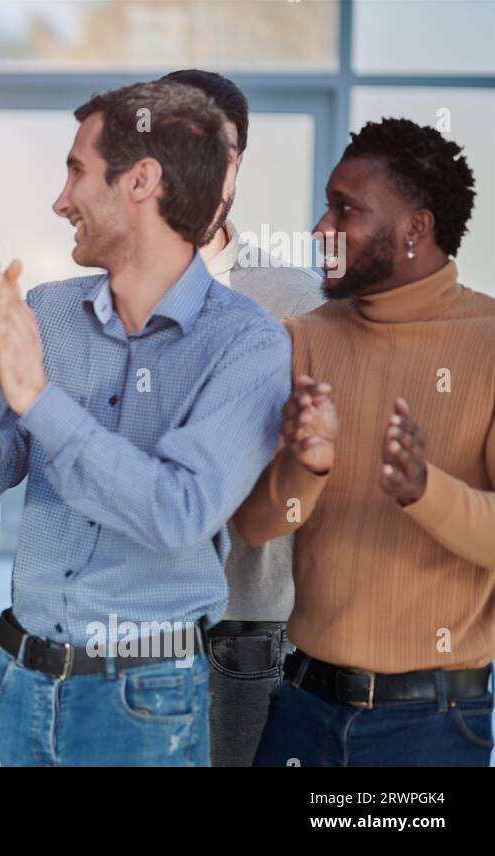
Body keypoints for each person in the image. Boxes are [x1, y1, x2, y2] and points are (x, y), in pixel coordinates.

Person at [0, 81, 291, 766]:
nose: (60, 200)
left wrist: (37, 397)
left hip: (145, 703)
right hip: (14, 685)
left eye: (76, 171)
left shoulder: (246, 345)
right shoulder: (45, 310)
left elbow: (176, 512)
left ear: (140, 181)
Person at [236, 118, 494, 767]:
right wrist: (307, 469)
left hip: (431, 727)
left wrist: (423, 490)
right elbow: (256, 526)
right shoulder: (306, 337)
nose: (321, 228)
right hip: (301, 706)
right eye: (327, 204)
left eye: (345, 209)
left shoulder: (489, 343)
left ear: (416, 228)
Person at [160, 69, 324, 766]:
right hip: (130, 629)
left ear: (237, 162)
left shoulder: (298, 298)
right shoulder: (95, 303)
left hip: (252, 626)